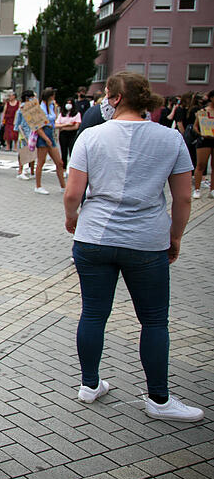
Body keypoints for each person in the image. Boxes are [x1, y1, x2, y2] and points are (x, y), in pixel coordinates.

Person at [64, 72, 202, 422]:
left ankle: (89, 384)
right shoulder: (171, 138)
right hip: (146, 239)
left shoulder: (91, 137)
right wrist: (175, 236)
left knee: (93, 313)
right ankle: (158, 398)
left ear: (114, 98)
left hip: (94, 237)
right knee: (154, 320)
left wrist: (72, 219)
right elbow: (183, 197)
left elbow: (72, 192)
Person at [32, 87, 66, 195]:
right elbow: (38, 127)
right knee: (41, 162)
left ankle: (63, 186)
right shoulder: (39, 108)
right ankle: (38, 186)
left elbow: (54, 118)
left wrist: (55, 108)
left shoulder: (51, 106)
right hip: (43, 133)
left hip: (50, 131)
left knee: (59, 162)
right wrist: (46, 139)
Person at [191, 90, 214, 199]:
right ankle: (197, 189)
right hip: (204, 140)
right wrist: (201, 133)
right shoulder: (203, 111)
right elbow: (195, 126)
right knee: (200, 165)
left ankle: (212, 190)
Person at [13, 90, 37, 180]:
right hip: (26, 132)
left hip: (28, 132)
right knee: (27, 151)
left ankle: (28, 170)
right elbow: (18, 122)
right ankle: (23, 171)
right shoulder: (23, 108)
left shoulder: (26, 107)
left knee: (29, 151)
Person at [56, 97, 82, 174]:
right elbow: (56, 124)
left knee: (72, 151)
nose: (68, 105)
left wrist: (63, 127)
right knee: (63, 152)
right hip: (63, 135)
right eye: (67, 103)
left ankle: (71, 169)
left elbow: (76, 126)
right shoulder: (62, 114)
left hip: (72, 134)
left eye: (70, 103)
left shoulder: (77, 114)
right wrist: (67, 125)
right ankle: (63, 169)